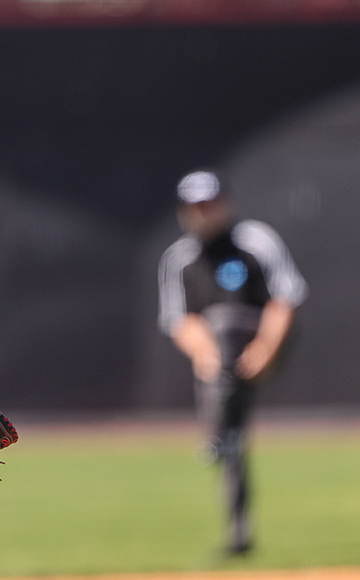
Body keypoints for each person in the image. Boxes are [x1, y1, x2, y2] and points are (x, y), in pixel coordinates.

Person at [158, 169, 308, 556]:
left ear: (225, 203)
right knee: (236, 438)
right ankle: (238, 527)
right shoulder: (178, 259)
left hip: (264, 341)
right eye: (195, 206)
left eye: (209, 204)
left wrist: (264, 347)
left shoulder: (255, 241)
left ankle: (217, 433)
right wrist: (204, 353)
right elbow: (181, 321)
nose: (203, 213)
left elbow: (284, 299)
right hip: (220, 361)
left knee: (224, 321)